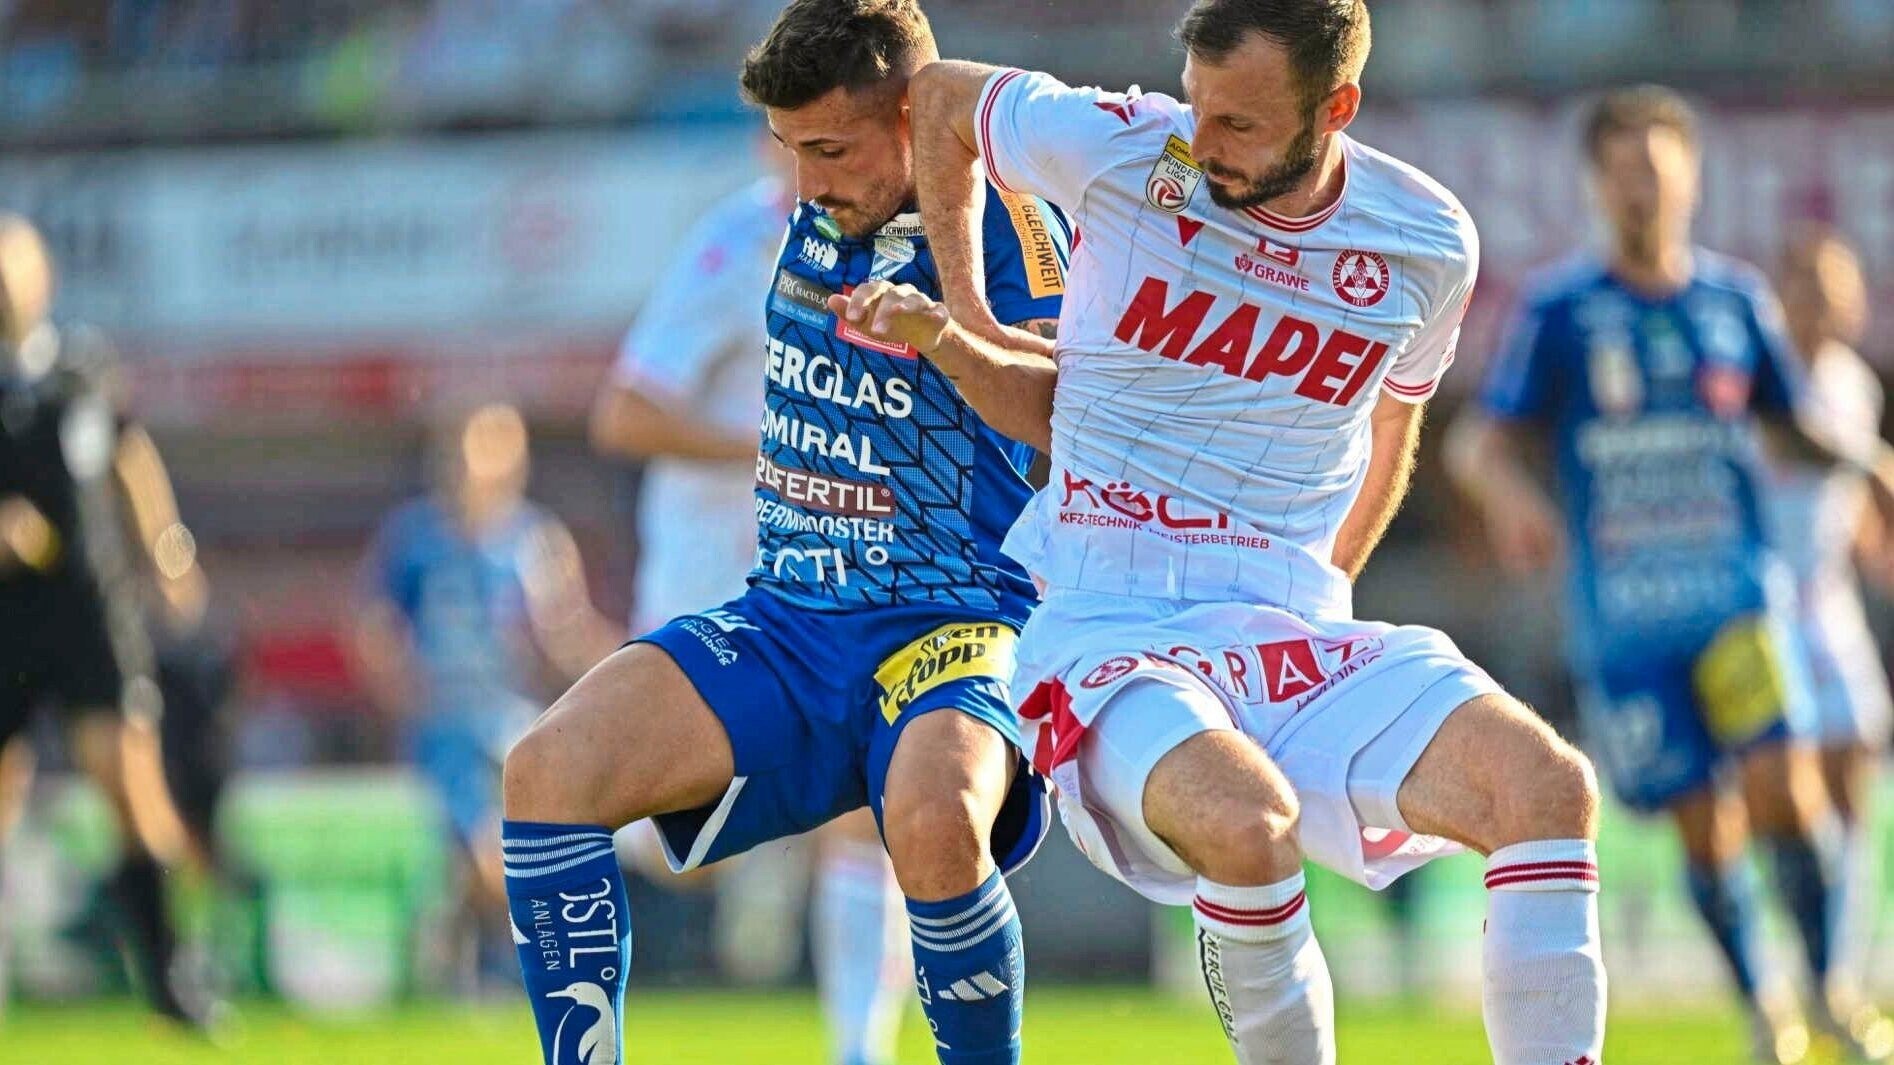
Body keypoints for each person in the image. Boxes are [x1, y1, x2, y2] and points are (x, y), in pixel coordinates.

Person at [839, 2, 1617, 1062]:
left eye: (1240, 124)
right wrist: (968, 315)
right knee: (1248, 826)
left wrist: (1328, 589)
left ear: (1335, 110)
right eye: (1198, 107)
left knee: (1549, 788)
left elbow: (1392, 424)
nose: (1202, 145)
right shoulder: (1127, 147)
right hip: (1111, 622)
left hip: (1289, 628)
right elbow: (939, 98)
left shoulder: (1427, 241)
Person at [500, 2, 1068, 1062]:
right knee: (545, 770)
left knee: (935, 816)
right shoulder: (791, 219)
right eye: (787, 148)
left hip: (954, 622)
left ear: (914, 117)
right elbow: (634, 404)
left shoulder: (1011, 220)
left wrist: (942, 336)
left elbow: (1059, 413)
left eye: (830, 150)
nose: (804, 183)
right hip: (792, 620)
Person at [1448, 89, 1894, 1064]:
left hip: (1736, 602)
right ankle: (1764, 1005)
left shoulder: (1732, 304)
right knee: (1703, 826)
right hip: (1626, 627)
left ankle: (1830, 989)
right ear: (1594, 184)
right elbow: (1480, 441)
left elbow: (1786, 423)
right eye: (1621, 172)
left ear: (1691, 178)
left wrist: (1865, 463)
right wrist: (1513, 499)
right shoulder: (1562, 312)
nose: (1640, 190)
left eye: (1655, 170)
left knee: (1786, 791)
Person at [589, 140, 912, 1065]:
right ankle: (689, 842)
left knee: (872, 795)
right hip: (710, 583)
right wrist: (772, 449)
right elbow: (625, 412)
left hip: (831, 578)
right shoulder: (733, 246)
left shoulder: (902, 248)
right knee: (681, 845)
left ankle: (859, 1049)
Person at [0, 213, 211, 1029]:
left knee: (129, 783)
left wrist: (167, 546)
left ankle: (169, 975)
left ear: (41, 279)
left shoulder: (82, 368)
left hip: (90, 610)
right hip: (7, 619)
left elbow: (129, 453)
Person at [353, 402, 618, 992]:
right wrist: (399, 684)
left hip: (517, 724)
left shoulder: (535, 540)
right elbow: (374, 622)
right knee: (482, 853)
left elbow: (566, 632)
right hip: (447, 725)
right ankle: (486, 960)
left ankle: (475, 954)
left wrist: (624, 664)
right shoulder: (415, 538)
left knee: (518, 857)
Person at [1769, 223, 1894, 1053]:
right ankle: (1791, 976)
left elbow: (1847, 513)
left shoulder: (1854, 382)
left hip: (1829, 601)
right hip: (1763, 600)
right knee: (1784, 792)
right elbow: (1788, 445)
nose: (1819, 305)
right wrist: (1868, 463)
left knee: (1859, 773)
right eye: (1806, 287)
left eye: (1832, 290)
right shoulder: (1762, 372)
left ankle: (1838, 977)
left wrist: (1878, 549)